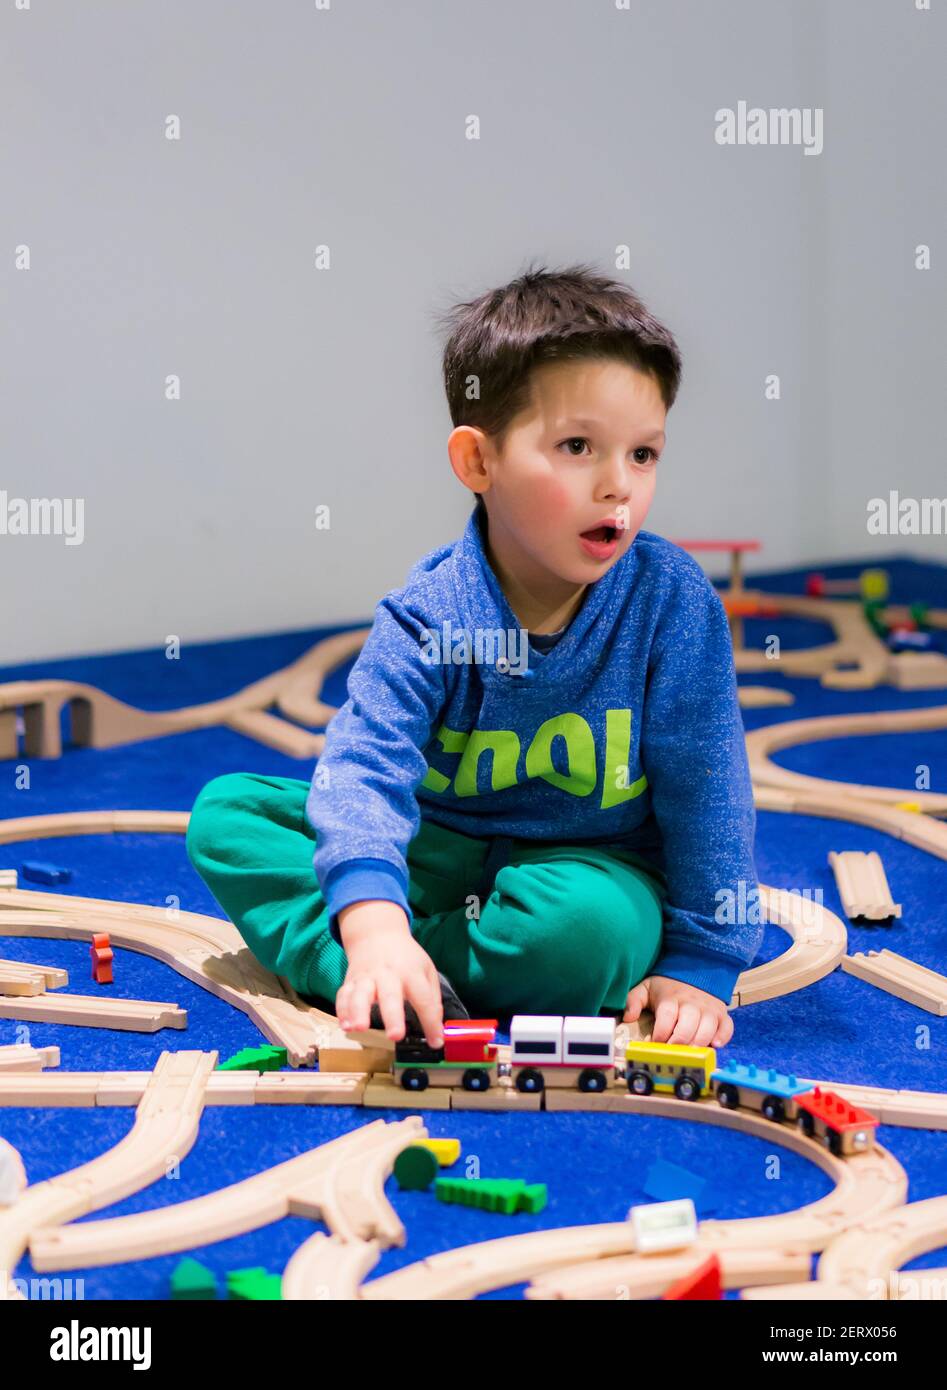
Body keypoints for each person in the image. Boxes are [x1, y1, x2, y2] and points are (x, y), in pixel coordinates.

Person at [186, 262, 761, 1053]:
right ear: (477, 462)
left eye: (642, 455)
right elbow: (361, 769)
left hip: (584, 869)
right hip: (434, 853)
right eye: (576, 446)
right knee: (227, 818)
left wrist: (701, 960)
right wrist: (375, 922)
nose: (615, 486)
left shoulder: (670, 601)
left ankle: (402, 975)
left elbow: (710, 790)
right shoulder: (430, 614)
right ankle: (387, 965)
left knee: (585, 933)